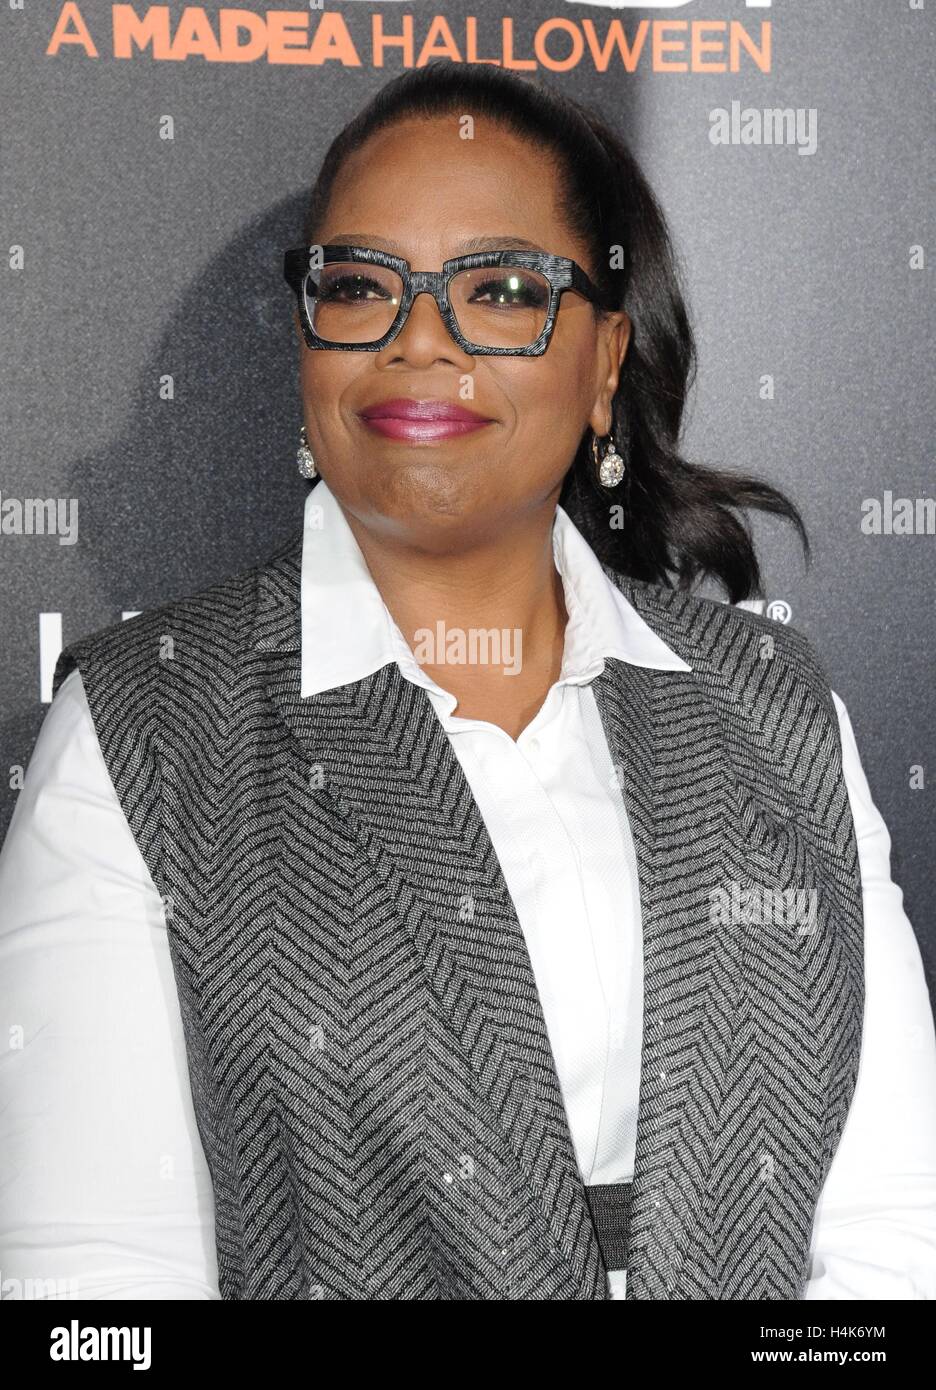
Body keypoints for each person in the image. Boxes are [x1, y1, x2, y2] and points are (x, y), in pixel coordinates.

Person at [1, 61, 934, 1301]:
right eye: (358, 285)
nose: (417, 339)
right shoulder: (149, 730)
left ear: (605, 361)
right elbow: (96, 1291)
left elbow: (892, 1236)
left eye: (498, 289)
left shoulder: (774, 704)